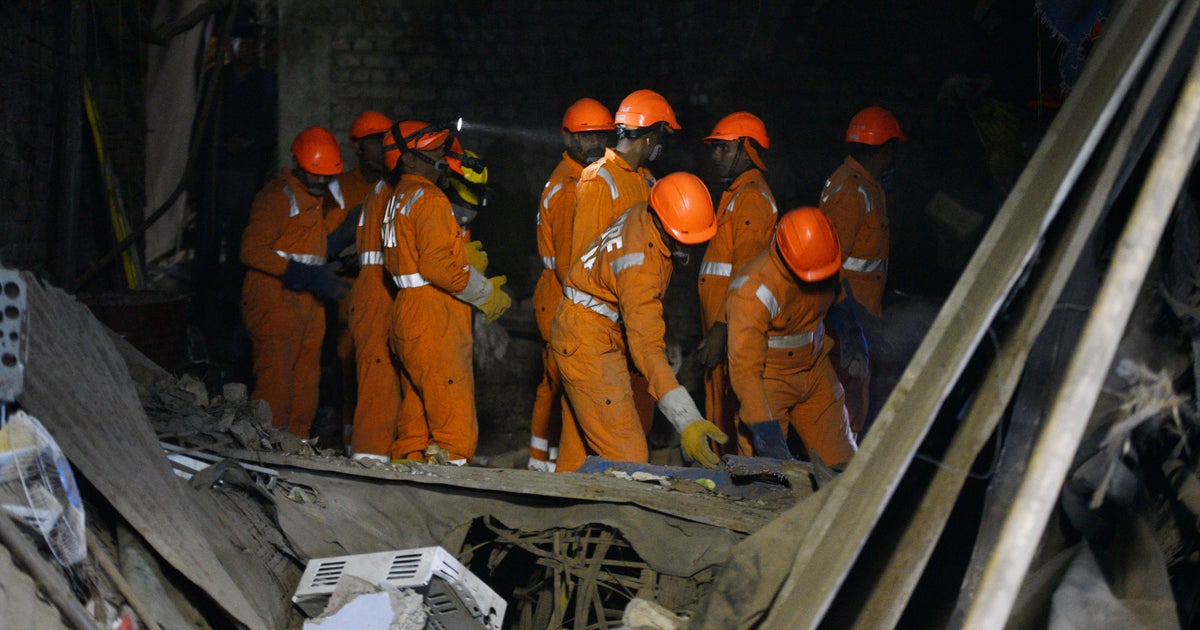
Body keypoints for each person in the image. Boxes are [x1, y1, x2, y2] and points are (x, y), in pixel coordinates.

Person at [551, 172, 726, 473]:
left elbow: (644, 305)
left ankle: (567, 514)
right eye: (683, 240)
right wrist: (688, 420)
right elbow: (645, 347)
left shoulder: (642, 213)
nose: (689, 250)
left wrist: (664, 331)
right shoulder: (640, 264)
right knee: (628, 457)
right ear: (662, 221)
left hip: (581, 326)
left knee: (577, 451)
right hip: (588, 338)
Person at [380, 120, 511, 465]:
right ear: (409, 159)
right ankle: (451, 495)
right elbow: (439, 268)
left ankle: (408, 479)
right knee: (454, 422)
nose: (442, 154)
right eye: (434, 149)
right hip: (433, 311)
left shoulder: (401, 196)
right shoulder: (429, 197)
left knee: (416, 418)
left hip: (408, 309)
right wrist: (485, 294)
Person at [568, 89, 681, 437]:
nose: (662, 143)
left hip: (632, 316)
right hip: (604, 324)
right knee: (610, 437)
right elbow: (584, 260)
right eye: (661, 135)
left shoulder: (645, 181)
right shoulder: (599, 180)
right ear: (648, 136)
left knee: (633, 421)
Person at [726, 208, 863, 466]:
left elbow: (838, 293)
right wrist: (764, 430)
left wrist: (853, 335)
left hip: (815, 370)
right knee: (766, 478)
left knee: (844, 467)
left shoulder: (823, 254)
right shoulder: (752, 291)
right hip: (768, 381)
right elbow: (745, 371)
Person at [240, 126, 349, 438]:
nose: (322, 181)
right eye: (317, 174)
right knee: (277, 376)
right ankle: (268, 445)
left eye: (328, 175)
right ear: (299, 164)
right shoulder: (277, 197)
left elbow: (312, 246)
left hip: (307, 297)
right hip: (274, 295)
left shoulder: (318, 198)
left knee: (306, 375)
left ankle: (296, 442)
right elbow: (250, 250)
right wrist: (302, 274)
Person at [528, 97, 614, 472]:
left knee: (555, 383)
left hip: (558, 295)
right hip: (562, 296)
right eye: (585, 136)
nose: (594, 143)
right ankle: (554, 465)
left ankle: (540, 460)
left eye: (600, 134)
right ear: (567, 138)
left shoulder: (580, 179)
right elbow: (569, 264)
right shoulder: (569, 189)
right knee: (568, 384)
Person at [695, 112, 779, 455]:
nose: (715, 155)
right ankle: (725, 480)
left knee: (736, 412)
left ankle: (743, 487)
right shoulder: (736, 194)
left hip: (733, 331)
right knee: (721, 414)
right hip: (723, 326)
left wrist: (722, 327)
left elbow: (746, 275)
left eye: (722, 148)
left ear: (747, 149)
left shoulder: (752, 199)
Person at [819, 106, 905, 435]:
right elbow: (829, 263)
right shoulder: (850, 192)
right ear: (884, 149)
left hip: (860, 316)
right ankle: (838, 474)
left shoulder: (865, 186)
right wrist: (849, 328)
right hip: (847, 318)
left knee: (852, 401)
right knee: (845, 404)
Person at [192, 21, 278, 355]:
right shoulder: (218, 79)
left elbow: (269, 126)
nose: (248, 50)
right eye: (242, 43)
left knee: (241, 240)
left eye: (252, 44)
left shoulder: (267, 83)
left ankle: (232, 309)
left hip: (246, 172)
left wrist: (251, 144)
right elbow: (203, 122)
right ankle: (203, 311)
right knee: (208, 240)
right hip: (216, 170)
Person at [343, 114, 400, 461]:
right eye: (373, 140)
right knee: (369, 379)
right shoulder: (373, 191)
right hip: (363, 291)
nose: (380, 147)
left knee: (375, 381)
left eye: (385, 140)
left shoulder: (386, 188)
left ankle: (366, 450)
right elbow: (329, 241)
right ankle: (363, 455)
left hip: (374, 288)